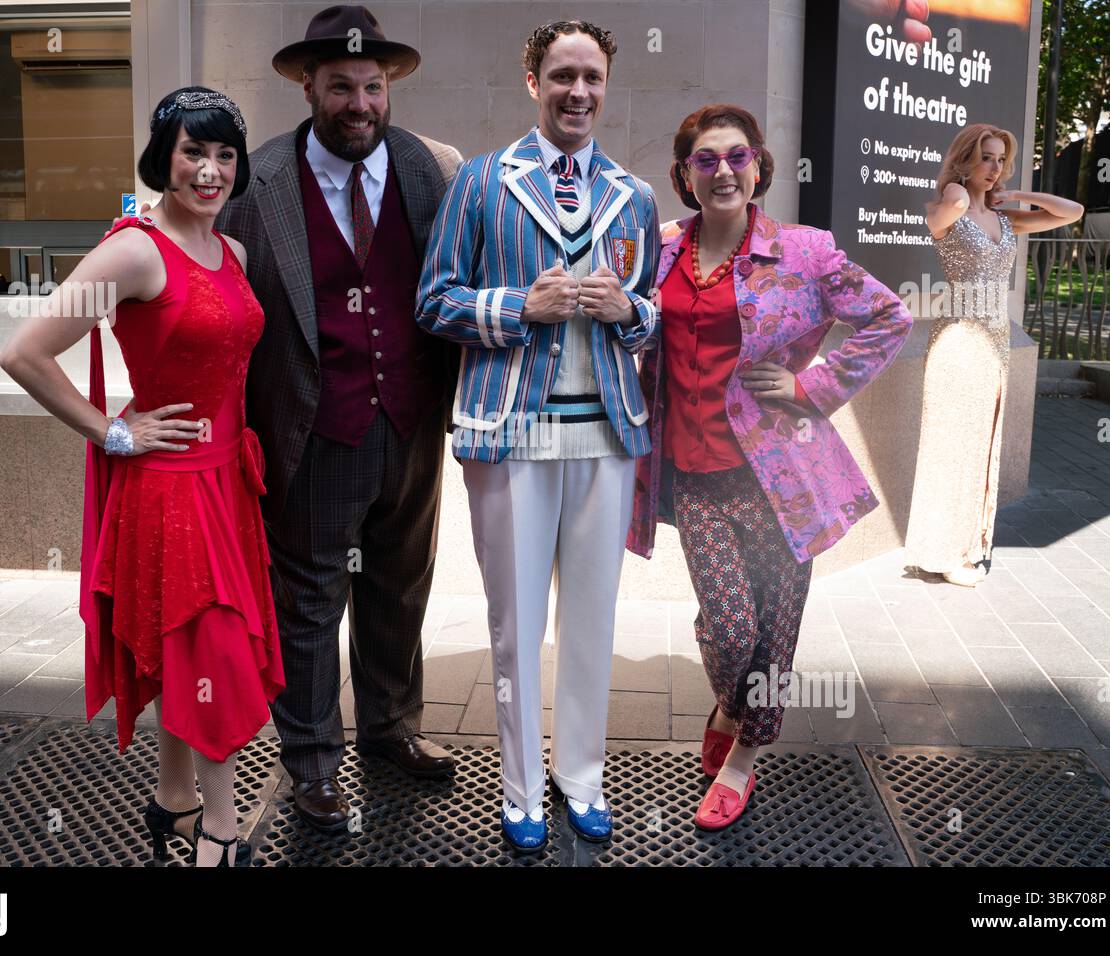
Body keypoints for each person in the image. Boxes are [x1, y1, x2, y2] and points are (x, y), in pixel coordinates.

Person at [0, 87, 282, 866]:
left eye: (226, 155)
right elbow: (23, 352)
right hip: (168, 485)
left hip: (227, 482)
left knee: (190, 654)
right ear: (164, 157)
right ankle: (222, 837)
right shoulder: (133, 250)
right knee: (213, 652)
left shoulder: (235, 252)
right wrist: (114, 430)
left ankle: (174, 802)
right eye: (195, 151)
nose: (211, 170)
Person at [626, 104, 913, 830]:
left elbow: (890, 316)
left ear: (758, 166)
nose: (723, 170)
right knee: (728, 631)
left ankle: (743, 761)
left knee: (772, 634)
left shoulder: (807, 251)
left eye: (737, 156)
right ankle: (729, 701)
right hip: (692, 473)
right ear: (685, 175)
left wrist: (812, 387)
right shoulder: (658, 250)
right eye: (705, 159)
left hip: (783, 479)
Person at [213, 4, 464, 831]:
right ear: (309, 87)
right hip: (314, 427)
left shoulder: (435, 168)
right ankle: (314, 763)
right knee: (312, 603)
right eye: (341, 87)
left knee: (399, 584)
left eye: (373, 86)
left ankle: (392, 728)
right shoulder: (257, 182)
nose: (360, 102)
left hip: (412, 421)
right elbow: (221, 297)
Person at [418, 19, 659, 853]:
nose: (579, 92)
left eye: (591, 77)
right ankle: (519, 786)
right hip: (511, 433)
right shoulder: (483, 182)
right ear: (533, 81)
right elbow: (435, 301)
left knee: (592, 621)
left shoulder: (633, 194)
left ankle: (580, 775)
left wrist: (632, 312)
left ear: (607, 84)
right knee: (513, 625)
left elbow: (650, 312)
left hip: (606, 437)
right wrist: (520, 307)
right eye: (562, 76)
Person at [904, 124, 1083, 586]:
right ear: (966, 158)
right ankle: (939, 550)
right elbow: (955, 205)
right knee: (950, 442)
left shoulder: (1007, 220)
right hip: (958, 336)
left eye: (1001, 159)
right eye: (986, 157)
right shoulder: (946, 209)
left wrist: (1014, 192)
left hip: (995, 338)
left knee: (981, 443)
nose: (995, 167)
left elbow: (1072, 212)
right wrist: (956, 185)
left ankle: (964, 546)